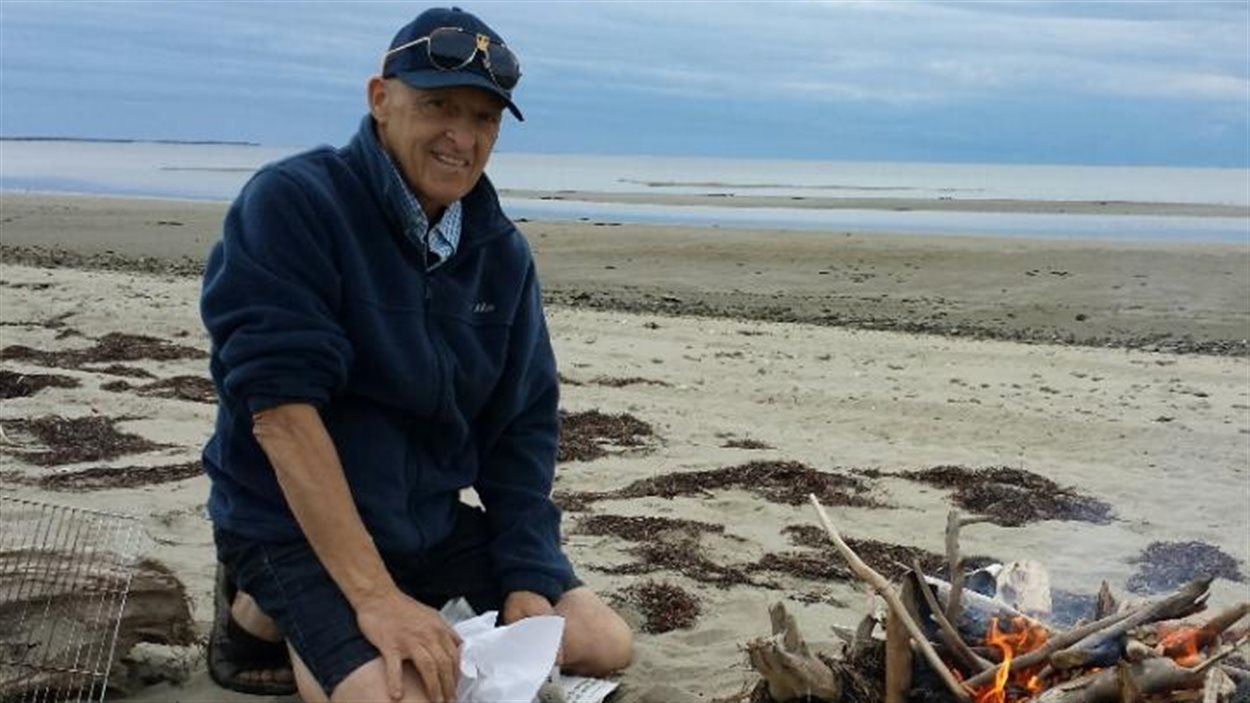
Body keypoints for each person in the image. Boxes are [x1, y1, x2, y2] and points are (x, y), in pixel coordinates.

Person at [199, 7, 634, 702]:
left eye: (484, 118)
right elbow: (280, 416)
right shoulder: (295, 204)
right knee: (388, 693)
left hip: (424, 524)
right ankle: (257, 606)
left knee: (601, 643)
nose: (461, 137)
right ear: (381, 98)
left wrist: (527, 574)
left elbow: (522, 426)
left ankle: (361, 605)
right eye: (438, 105)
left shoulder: (500, 254)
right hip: (291, 527)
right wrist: (376, 599)